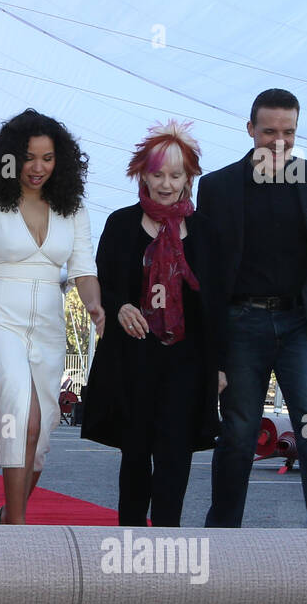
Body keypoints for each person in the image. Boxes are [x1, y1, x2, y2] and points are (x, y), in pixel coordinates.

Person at [198, 89, 307, 528]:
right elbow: (208, 272)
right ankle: (222, 533)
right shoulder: (217, 187)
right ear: (250, 128)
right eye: (270, 131)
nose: (279, 141)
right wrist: (209, 347)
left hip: (303, 325)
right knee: (238, 432)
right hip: (240, 324)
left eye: (289, 132)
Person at [0, 110, 105, 524]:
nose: (38, 168)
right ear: (10, 158)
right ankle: (17, 528)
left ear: (61, 161)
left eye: (48, 158)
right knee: (21, 411)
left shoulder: (73, 210)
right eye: (29, 157)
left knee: (40, 435)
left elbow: (84, 270)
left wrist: (94, 306)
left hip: (50, 326)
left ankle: (8, 513)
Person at [82, 121, 223, 527]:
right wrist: (121, 305)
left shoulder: (206, 232)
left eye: (175, 175)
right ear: (142, 174)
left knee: (175, 454)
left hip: (188, 360)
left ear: (188, 177)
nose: (165, 183)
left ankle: (167, 539)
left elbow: (216, 303)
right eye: (157, 174)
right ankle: (128, 534)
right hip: (134, 359)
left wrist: (220, 366)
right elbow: (103, 283)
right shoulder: (121, 224)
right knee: (136, 450)